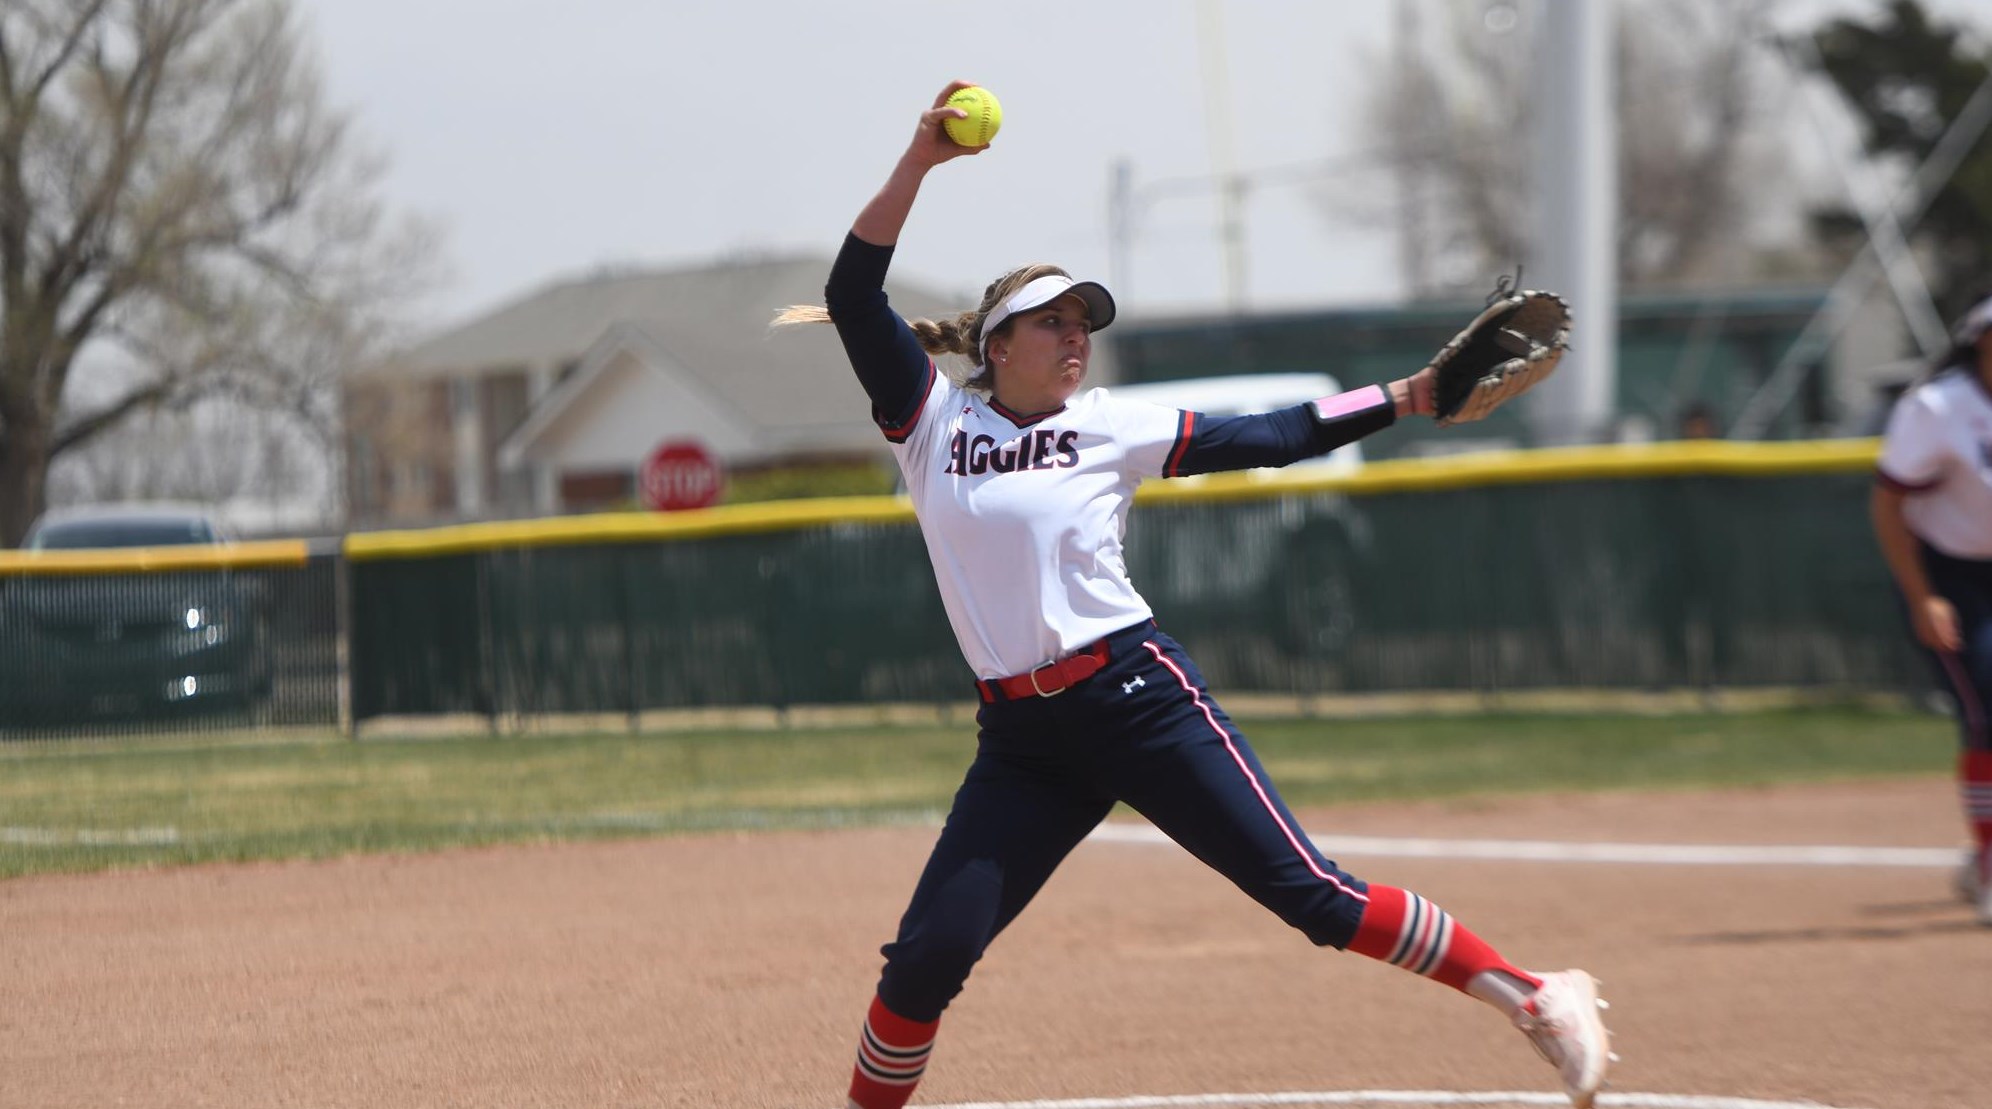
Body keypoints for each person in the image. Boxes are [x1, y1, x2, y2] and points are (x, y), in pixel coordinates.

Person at [776, 82, 1614, 1109]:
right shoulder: (930, 423)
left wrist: (1412, 395)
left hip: (1138, 698)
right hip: (1023, 744)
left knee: (1313, 894)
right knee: (924, 959)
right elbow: (854, 295)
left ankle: (1534, 993)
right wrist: (920, 160)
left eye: (1085, 319)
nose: (1076, 335)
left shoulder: (1110, 427)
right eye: (1052, 321)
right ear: (997, 344)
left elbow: (1275, 434)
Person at [1870, 292, 1992, 926]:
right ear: (1979, 343)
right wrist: (1924, 596)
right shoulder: (1939, 408)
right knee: (1987, 709)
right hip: (1953, 576)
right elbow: (1890, 504)